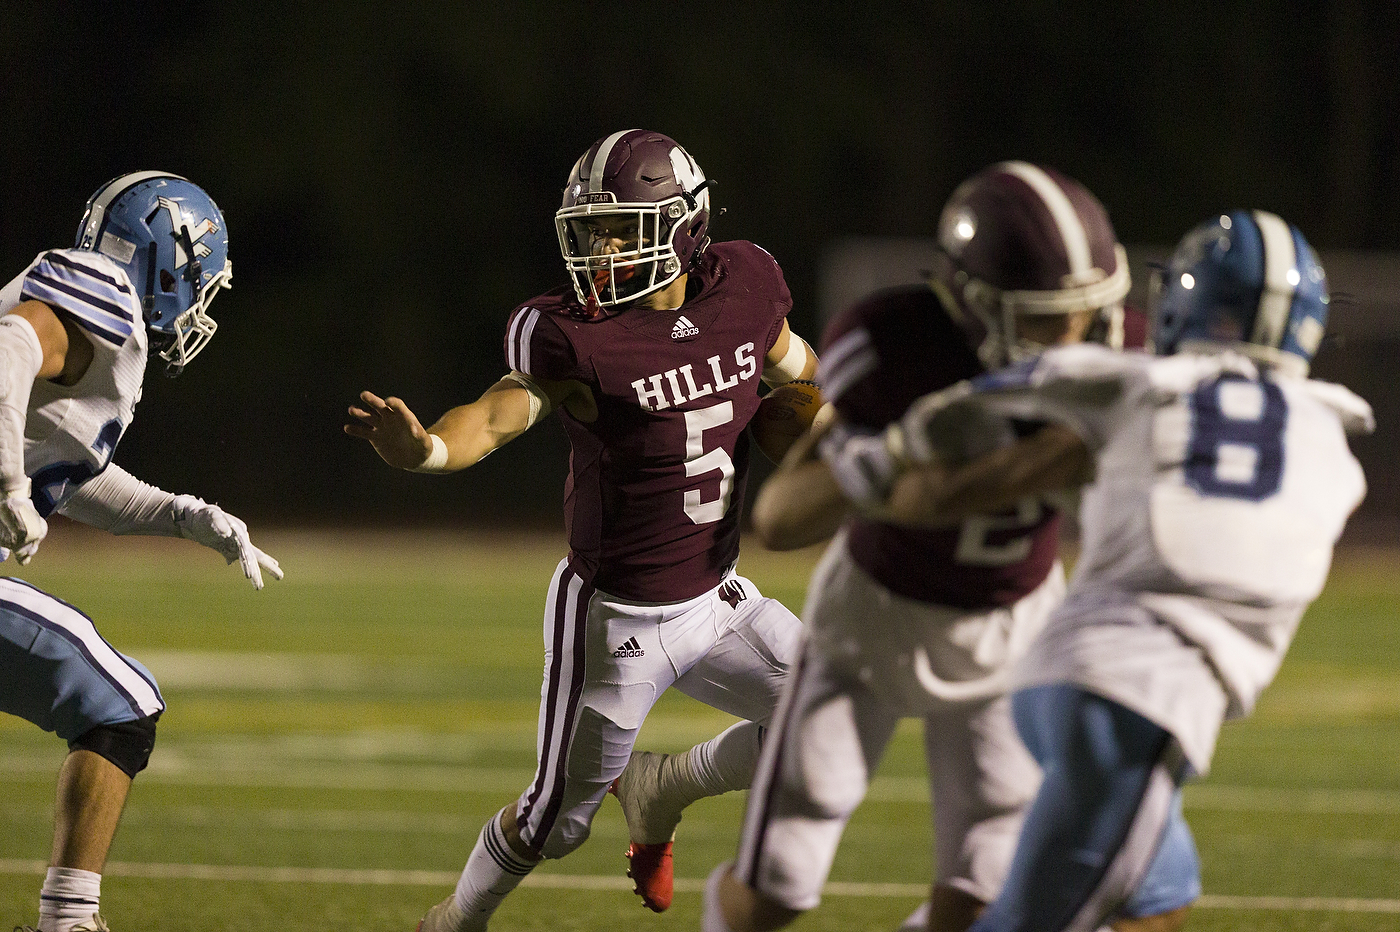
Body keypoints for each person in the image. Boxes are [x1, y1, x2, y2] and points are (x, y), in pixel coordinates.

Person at [818, 209, 1370, 932]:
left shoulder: (1134, 380)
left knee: (1160, 902)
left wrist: (885, 455)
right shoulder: (1335, 426)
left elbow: (998, 389)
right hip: (1140, 699)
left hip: (1057, 676)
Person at [344, 129, 820, 931]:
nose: (598, 253)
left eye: (618, 232)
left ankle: (667, 784)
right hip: (615, 616)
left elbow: (797, 373)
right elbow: (497, 415)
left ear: (683, 227)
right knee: (552, 825)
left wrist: (834, 433)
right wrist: (425, 448)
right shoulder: (572, 335)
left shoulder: (745, 286)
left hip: (722, 597)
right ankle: (452, 920)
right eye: (588, 233)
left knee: (826, 720)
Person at [703, 161, 1169, 932]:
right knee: (778, 884)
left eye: (1093, 309)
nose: (1081, 335)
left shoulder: (1126, 353)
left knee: (980, 886)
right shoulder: (898, 341)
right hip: (873, 620)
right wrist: (875, 463)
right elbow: (783, 520)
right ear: (977, 306)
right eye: (1054, 315)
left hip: (1013, 622)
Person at [1, 172, 283, 932]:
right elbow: (12, 342)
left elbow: (73, 476)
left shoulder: (97, 325)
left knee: (116, 704)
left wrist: (188, 517)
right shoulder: (103, 288)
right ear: (172, 261)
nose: (199, 304)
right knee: (121, 706)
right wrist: (4, 477)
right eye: (200, 283)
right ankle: (69, 921)